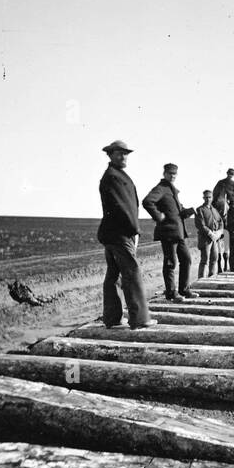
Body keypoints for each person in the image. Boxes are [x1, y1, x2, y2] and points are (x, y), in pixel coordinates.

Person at [96, 140, 153, 328]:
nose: (124, 156)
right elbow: (122, 208)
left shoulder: (115, 175)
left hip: (113, 233)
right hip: (120, 234)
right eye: (119, 153)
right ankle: (140, 319)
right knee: (131, 272)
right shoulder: (113, 176)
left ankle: (112, 319)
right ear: (110, 155)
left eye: (125, 153)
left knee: (114, 274)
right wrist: (134, 230)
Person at [142, 162, 198, 302]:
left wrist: (188, 212)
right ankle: (171, 293)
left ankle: (184, 290)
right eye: (170, 173)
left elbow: (175, 212)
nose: (172, 176)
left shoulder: (172, 190)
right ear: (164, 174)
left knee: (186, 259)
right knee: (170, 263)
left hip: (179, 233)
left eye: (174, 174)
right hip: (168, 233)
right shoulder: (161, 188)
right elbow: (147, 202)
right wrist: (158, 216)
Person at [194, 189, 224, 279]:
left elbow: (220, 221)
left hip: (215, 239)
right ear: (203, 198)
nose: (208, 199)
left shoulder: (214, 210)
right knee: (205, 260)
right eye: (206, 197)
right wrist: (210, 233)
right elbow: (200, 225)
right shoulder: (200, 210)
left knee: (214, 258)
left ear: (212, 198)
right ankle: (201, 279)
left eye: (209, 197)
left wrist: (219, 232)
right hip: (205, 239)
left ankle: (211, 277)